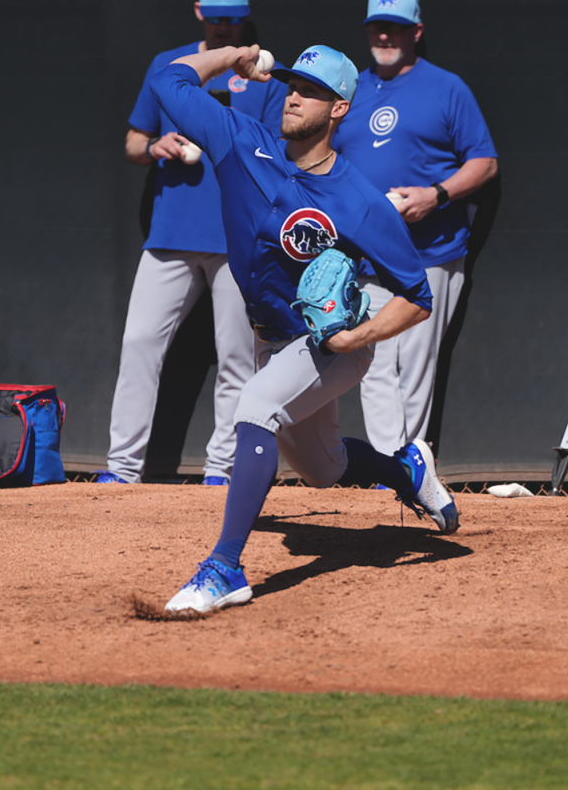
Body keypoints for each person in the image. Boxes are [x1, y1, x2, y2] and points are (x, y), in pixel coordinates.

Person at [146, 43, 460, 614]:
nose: (293, 95)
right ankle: (408, 470)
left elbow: (417, 297)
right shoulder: (241, 142)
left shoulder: (360, 202)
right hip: (273, 338)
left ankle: (224, 568)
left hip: (330, 344)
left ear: (338, 109)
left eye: (311, 90)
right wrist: (231, 55)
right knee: (323, 469)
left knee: (256, 406)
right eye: (292, 84)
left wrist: (354, 340)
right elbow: (168, 81)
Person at [97, 0, 284, 486]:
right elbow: (135, 142)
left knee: (236, 359)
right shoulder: (169, 65)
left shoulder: (264, 75)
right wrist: (156, 146)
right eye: (216, 17)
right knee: (138, 346)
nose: (224, 27)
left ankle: (222, 471)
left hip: (236, 238)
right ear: (200, 12)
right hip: (171, 233)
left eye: (233, 18)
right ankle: (122, 468)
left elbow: (272, 153)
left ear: (244, 17)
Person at [332, 0, 499, 456]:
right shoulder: (352, 91)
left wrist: (435, 194)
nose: (385, 35)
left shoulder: (447, 87)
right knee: (375, 358)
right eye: (377, 26)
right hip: (368, 255)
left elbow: (484, 163)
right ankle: (392, 468)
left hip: (432, 250)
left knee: (415, 362)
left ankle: (410, 464)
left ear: (416, 31)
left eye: (396, 27)